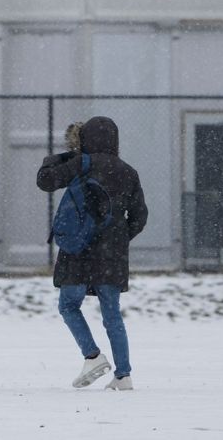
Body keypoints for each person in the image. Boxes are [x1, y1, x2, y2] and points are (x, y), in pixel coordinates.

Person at [37, 115, 147, 390]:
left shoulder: (82, 163)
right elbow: (140, 216)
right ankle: (123, 375)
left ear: (85, 138)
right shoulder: (128, 171)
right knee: (112, 314)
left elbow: (46, 182)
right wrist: (119, 236)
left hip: (79, 248)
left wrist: (55, 159)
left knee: (68, 305)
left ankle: (92, 356)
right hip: (112, 253)